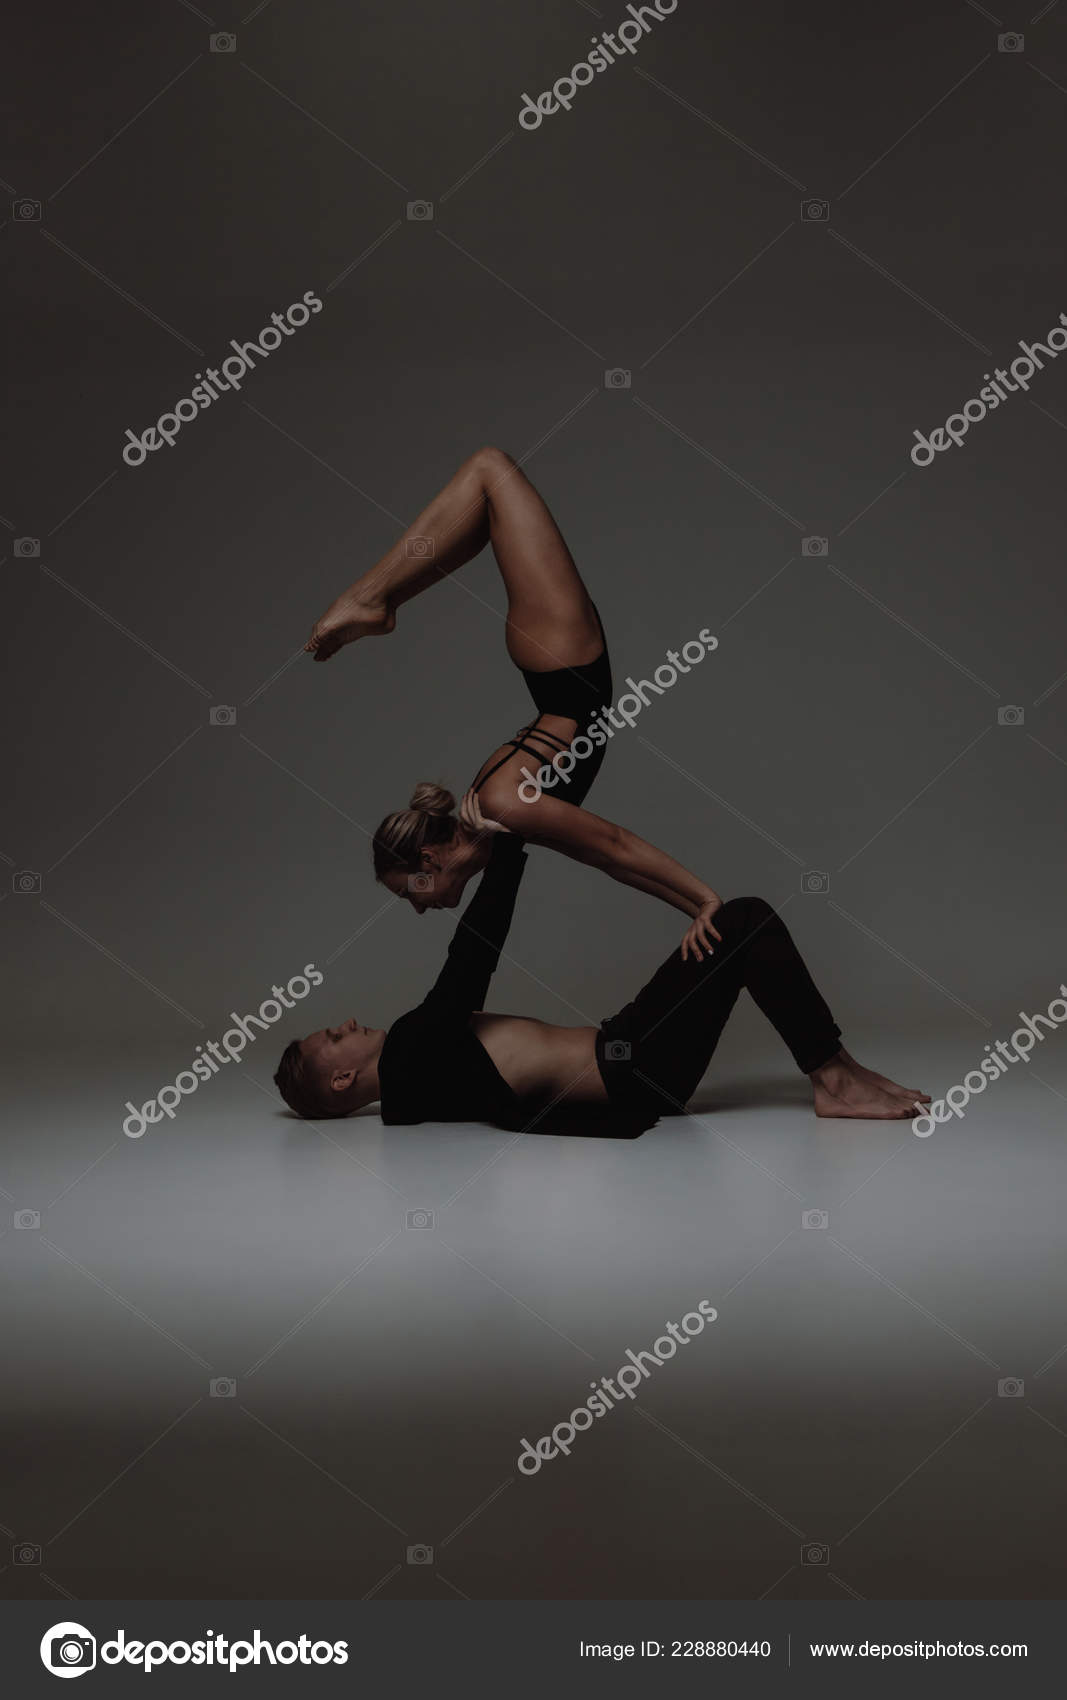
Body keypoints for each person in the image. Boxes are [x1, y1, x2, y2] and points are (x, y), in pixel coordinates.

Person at [305, 446, 724, 962]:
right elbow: (606, 860)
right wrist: (699, 907)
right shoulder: (500, 824)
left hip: (564, 660)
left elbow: (614, 843)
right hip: (563, 665)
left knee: (490, 471)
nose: (416, 909)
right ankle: (378, 604)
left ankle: (372, 600)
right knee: (486, 511)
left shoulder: (502, 807)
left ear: (429, 859)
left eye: (408, 890)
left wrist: (704, 897)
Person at [273, 833, 930, 1128]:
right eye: (332, 1038)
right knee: (743, 921)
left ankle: (841, 1068)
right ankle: (836, 1082)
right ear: (339, 1078)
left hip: (625, 1054)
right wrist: (504, 851)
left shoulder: (416, 1083)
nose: (347, 1023)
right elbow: (469, 960)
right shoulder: (413, 1053)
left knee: (740, 927)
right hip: (631, 1063)